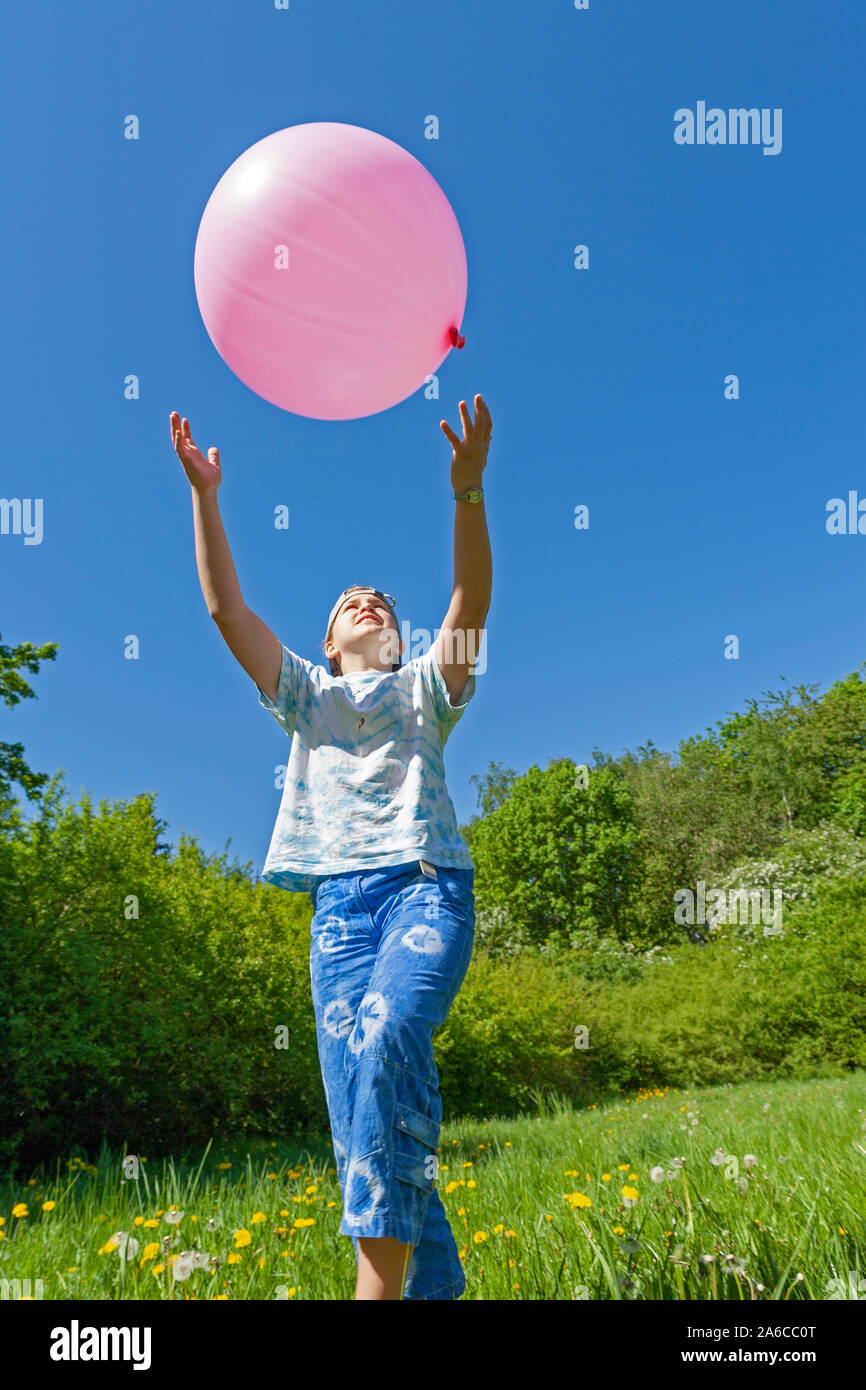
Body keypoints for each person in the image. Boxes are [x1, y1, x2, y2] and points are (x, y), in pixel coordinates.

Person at [170, 397, 493, 1300]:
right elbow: (225, 606)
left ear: (399, 638)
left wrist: (467, 495)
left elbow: (470, 603)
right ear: (326, 641)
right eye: (351, 603)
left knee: (389, 1036)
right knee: (360, 1119)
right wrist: (206, 495)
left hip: (424, 893)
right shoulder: (304, 696)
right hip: (338, 914)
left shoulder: (429, 687)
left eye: (383, 603)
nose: (367, 602)